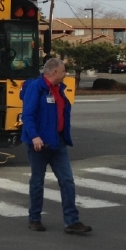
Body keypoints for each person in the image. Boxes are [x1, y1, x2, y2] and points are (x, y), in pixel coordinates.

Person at [21, 57, 92, 235]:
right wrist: (35, 137)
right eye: (63, 71)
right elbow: (27, 116)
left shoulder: (59, 89)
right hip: (39, 145)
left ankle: (72, 221)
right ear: (54, 72)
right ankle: (34, 218)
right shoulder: (36, 89)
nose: (65, 74)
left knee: (67, 181)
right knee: (37, 182)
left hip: (58, 142)